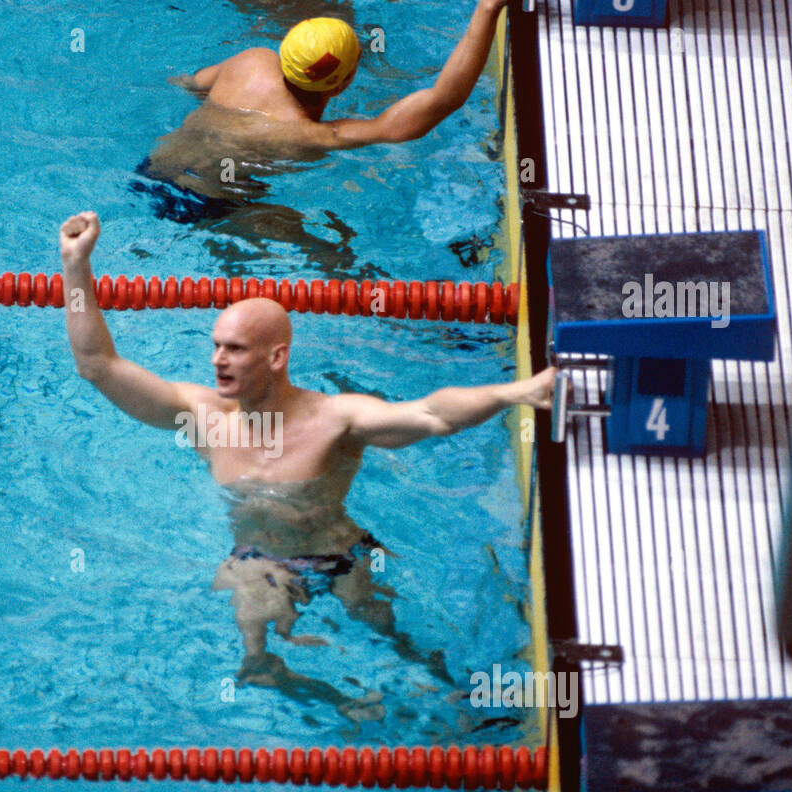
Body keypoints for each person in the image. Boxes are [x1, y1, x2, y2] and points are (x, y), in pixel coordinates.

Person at [59, 211, 553, 700]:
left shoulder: (336, 420)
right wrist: (75, 264)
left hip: (342, 551)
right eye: (215, 347)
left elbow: (432, 415)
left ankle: (462, 710)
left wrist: (517, 392)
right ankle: (319, 697)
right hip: (257, 560)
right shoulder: (202, 417)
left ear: (276, 357)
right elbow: (97, 365)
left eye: (234, 349)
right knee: (257, 664)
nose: (217, 361)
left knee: (402, 644)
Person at [135, 0, 511, 227]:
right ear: (342, 85)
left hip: (152, 169)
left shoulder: (250, 60)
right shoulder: (308, 134)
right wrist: (488, 7)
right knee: (319, 245)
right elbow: (441, 101)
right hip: (202, 204)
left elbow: (190, 84)